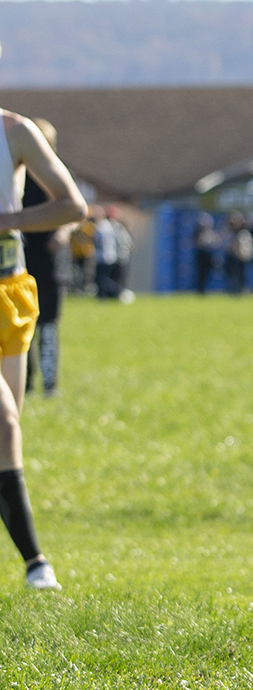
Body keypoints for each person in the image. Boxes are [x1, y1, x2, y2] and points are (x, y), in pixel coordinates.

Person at [0, 108, 88, 590]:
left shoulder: (15, 131)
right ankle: (37, 563)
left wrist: (7, 219)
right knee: (4, 423)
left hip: (11, 290)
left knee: (10, 427)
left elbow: (73, 206)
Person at [21, 120, 72, 399]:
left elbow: (75, 210)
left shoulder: (59, 173)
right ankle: (26, 384)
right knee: (23, 325)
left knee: (49, 327)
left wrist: (62, 233)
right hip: (24, 260)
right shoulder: (19, 174)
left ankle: (50, 385)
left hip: (52, 262)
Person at [92, 206, 131, 299]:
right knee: (106, 278)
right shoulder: (108, 226)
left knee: (102, 278)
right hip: (111, 256)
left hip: (105, 256)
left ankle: (114, 293)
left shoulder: (103, 225)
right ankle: (109, 294)